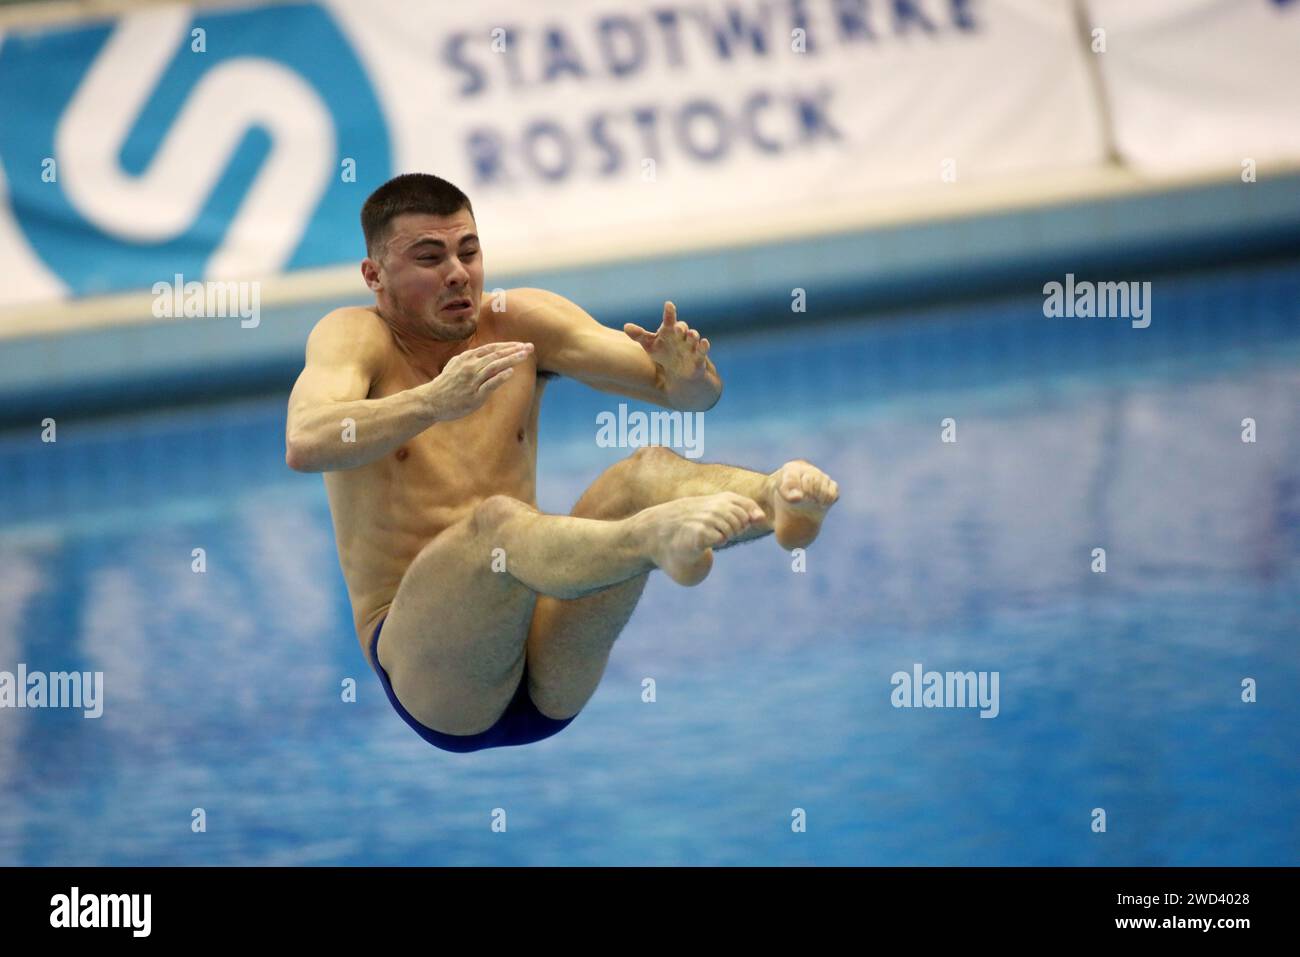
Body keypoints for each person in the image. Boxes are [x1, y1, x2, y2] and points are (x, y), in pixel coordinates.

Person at [285, 173, 839, 753]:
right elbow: (304, 440)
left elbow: (688, 399)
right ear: (374, 276)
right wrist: (431, 402)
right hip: (436, 676)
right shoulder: (354, 338)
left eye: (468, 252)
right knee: (494, 524)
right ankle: (653, 542)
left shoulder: (521, 323)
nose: (457, 272)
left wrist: (687, 373)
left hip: (550, 653)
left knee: (645, 470)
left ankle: (776, 498)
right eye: (429, 257)